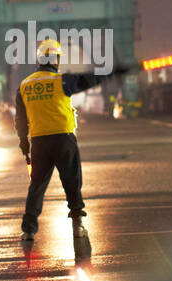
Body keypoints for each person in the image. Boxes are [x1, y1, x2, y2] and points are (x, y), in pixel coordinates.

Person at [15, 37, 136, 256]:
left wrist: (25, 147)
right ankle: (77, 224)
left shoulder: (25, 85)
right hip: (63, 139)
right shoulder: (62, 80)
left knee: (37, 187)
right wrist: (114, 71)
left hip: (40, 142)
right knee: (72, 182)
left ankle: (28, 231)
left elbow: (20, 122)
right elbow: (90, 79)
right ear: (56, 59)